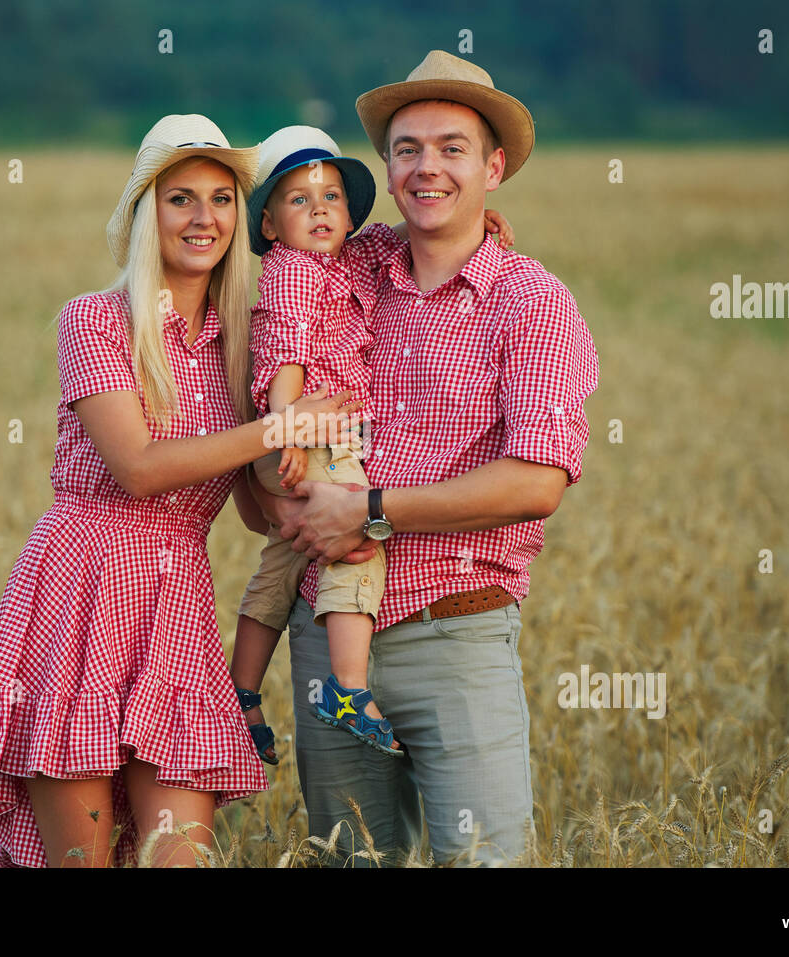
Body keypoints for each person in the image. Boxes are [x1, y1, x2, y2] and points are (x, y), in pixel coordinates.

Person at [0, 114, 360, 868]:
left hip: (178, 604)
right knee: (83, 860)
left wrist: (313, 458)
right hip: (82, 591)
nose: (204, 218)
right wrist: (277, 428)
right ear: (145, 215)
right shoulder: (97, 321)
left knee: (179, 858)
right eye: (180, 198)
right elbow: (137, 467)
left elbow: (252, 508)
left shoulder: (243, 344)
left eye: (222, 198)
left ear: (245, 215)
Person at [250, 51, 600, 866]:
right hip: (326, 633)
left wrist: (370, 508)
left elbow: (539, 479)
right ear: (386, 165)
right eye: (407, 148)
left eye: (451, 148)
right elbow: (255, 263)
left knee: (485, 860)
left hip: (458, 631)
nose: (426, 167)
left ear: (494, 166)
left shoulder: (531, 301)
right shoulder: (353, 262)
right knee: (351, 861)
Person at [229, 125, 515, 767]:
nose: (321, 210)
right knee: (355, 547)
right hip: (312, 431)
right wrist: (288, 429)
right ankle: (350, 688)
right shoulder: (293, 274)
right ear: (270, 227)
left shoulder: (343, 255)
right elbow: (286, 354)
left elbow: (410, 231)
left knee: (283, 562)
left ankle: (242, 690)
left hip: (307, 432)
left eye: (332, 197)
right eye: (299, 200)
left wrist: (473, 219)